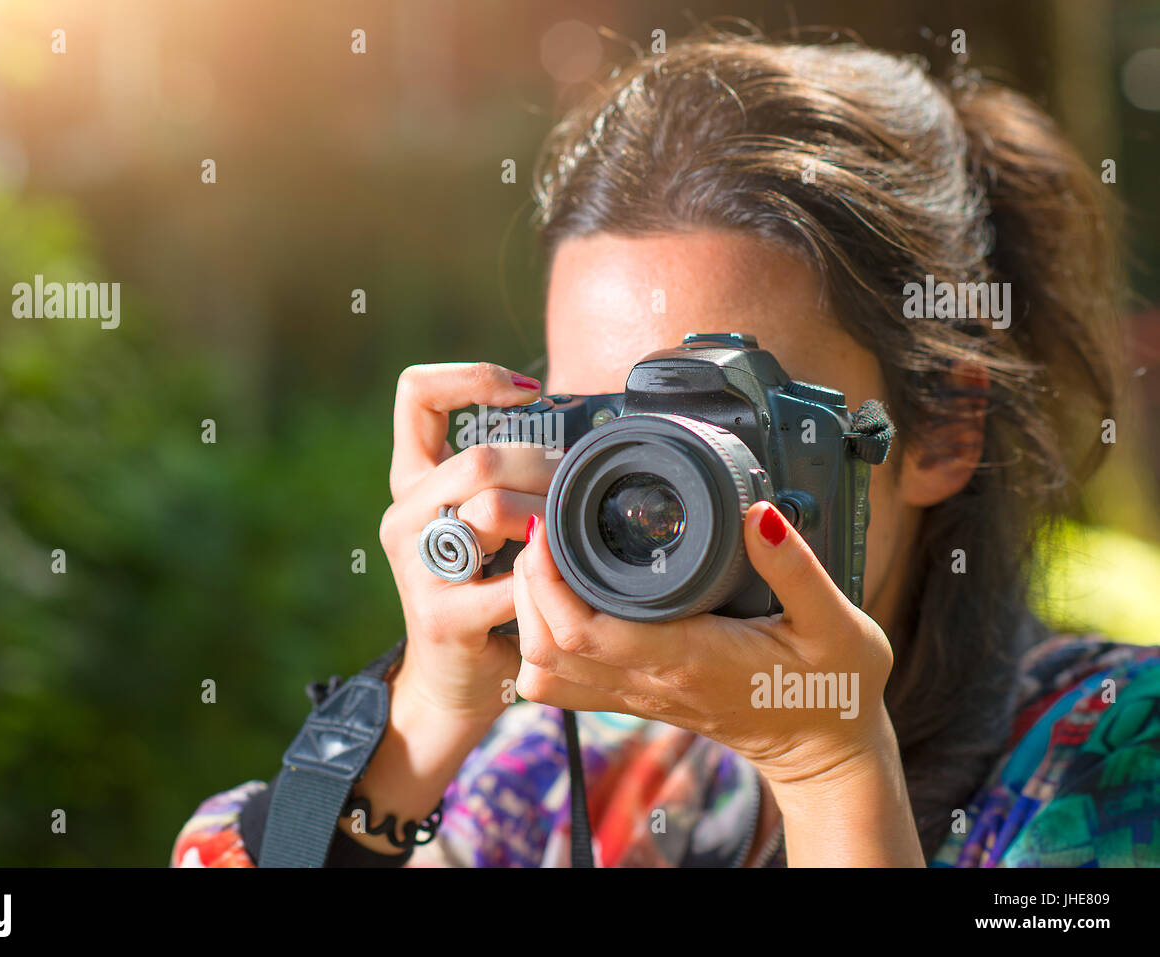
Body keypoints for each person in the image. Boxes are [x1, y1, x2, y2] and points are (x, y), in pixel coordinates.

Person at [172, 32, 1160, 868]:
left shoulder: (1121, 754)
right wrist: (423, 718)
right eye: (610, 424)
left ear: (942, 430)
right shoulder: (574, 775)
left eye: (730, 424)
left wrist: (828, 768)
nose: (657, 490)